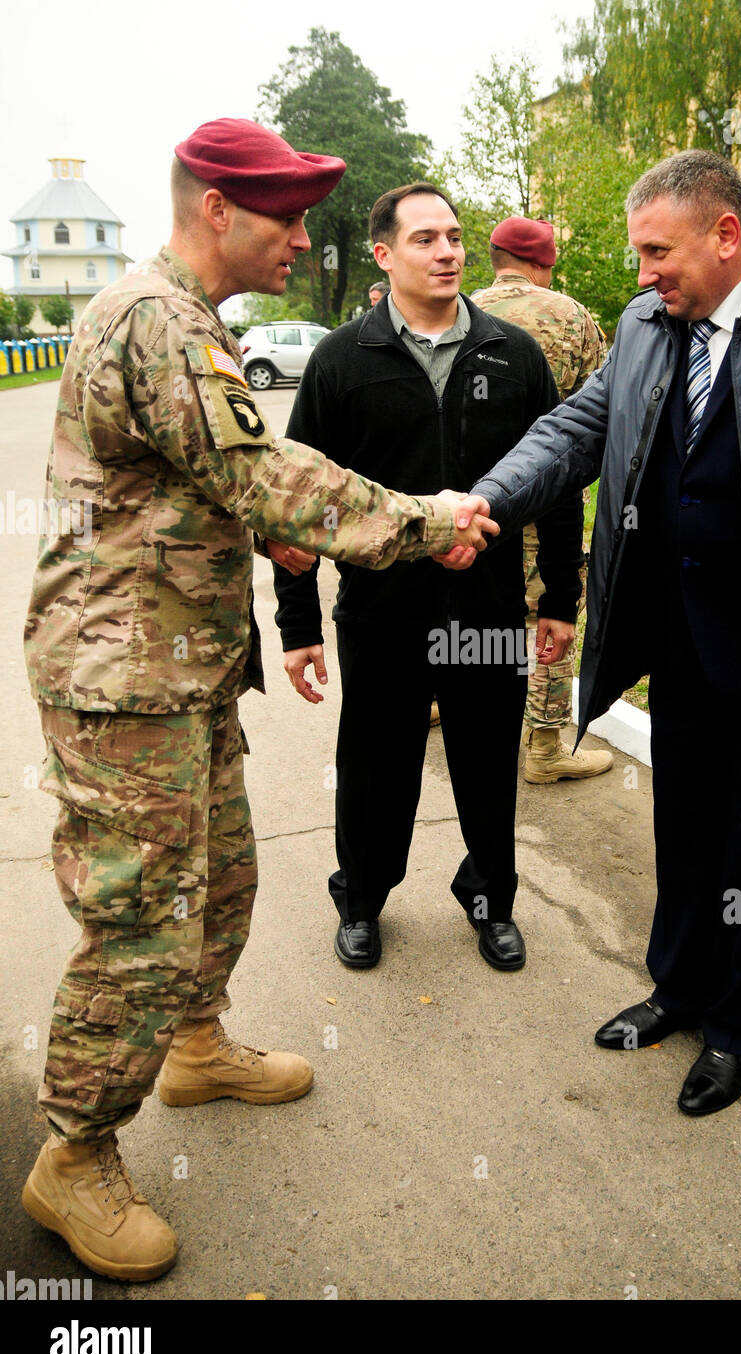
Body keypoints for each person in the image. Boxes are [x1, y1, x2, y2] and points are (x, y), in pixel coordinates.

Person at [20, 121, 496, 1283]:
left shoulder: (188, 322)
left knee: (222, 870)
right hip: (121, 683)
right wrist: (426, 521)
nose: (302, 237)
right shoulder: (158, 319)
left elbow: (218, 485)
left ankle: (194, 1045)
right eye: (284, 216)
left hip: (173, 670)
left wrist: (259, 546)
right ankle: (74, 1156)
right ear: (215, 211)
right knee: (138, 917)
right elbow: (266, 475)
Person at [457, 150, 741, 1116]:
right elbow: (573, 432)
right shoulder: (644, 325)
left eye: (654, 252)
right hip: (675, 637)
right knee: (684, 825)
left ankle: (733, 1026)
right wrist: (487, 498)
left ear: (725, 236)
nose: (641, 275)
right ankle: (675, 987)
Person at [271, 183, 582, 974]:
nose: (446, 252)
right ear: (384, 254)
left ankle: (490, 900)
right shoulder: (344, 360)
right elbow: (297, 505)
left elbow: (555, 476)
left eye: (453, 237)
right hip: (382, 609)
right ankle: (364, 900)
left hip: (485, 606)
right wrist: (299, 626)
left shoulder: (514, 354)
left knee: (484, 762)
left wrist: (559, 598)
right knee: (377, 766)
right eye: (424, 240)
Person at [472, 215, 613, 785]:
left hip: (468, 497)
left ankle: (441, 700)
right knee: (548, 613)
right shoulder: (572, 316)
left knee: (463, 597)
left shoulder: (454, 307)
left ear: (494, 256)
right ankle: (546, 747)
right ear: (545, 264)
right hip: (546, 493)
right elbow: (595, 410)